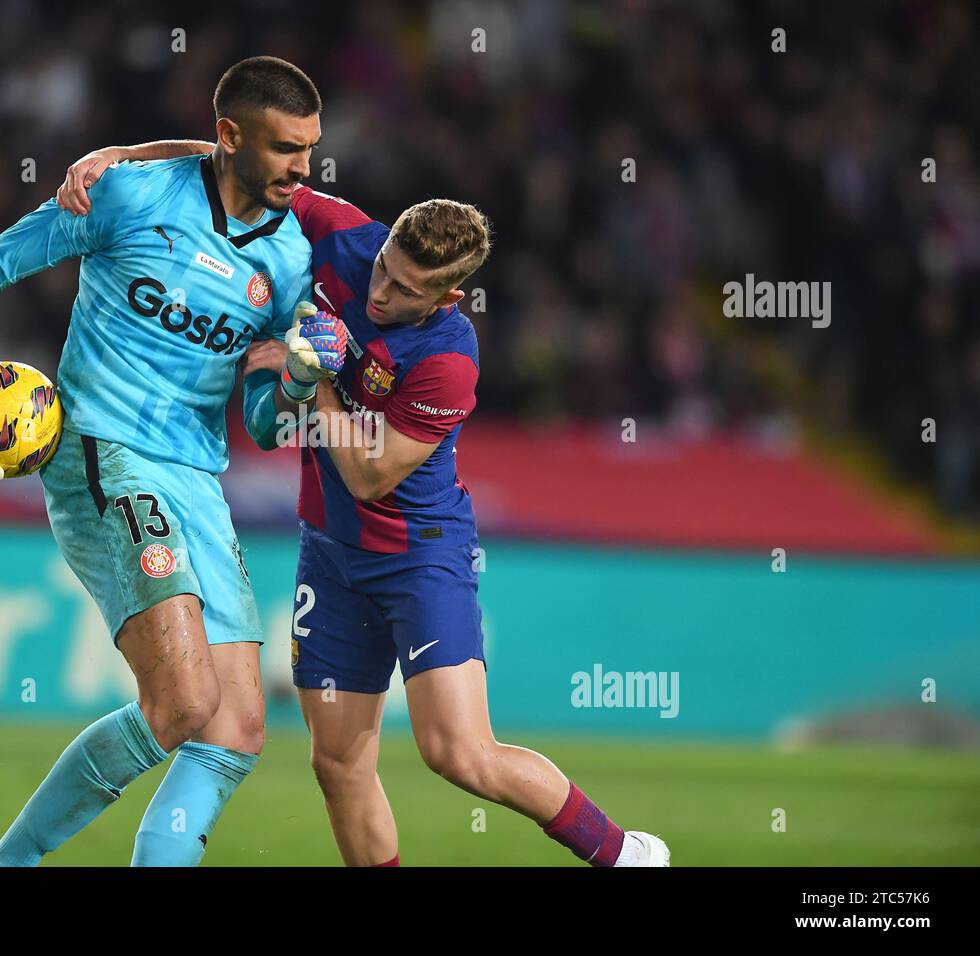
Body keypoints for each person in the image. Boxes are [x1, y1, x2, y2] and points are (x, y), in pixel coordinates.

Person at [58, 142, 670, 867]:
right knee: (338, 765)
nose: (381, 292)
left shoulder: (448, 358)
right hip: (331, 552)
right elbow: (237, 158)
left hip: (418, 555)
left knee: (460, 754)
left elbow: (371, 474)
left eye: (406, 289)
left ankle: (624, 854)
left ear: (446, 297)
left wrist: (311, 375)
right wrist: (123, 154)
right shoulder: (348, 234)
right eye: (384, 269)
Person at [0, 56, 343, 867]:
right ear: (229, 137)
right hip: (101, 450)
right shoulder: (128, 194)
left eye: (311, 148)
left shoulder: (294, 260)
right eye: (286, 149)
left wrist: (298, 376)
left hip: (196, 476)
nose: (306, 168)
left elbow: (263, 422)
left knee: (235, 727)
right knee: (184, 701)